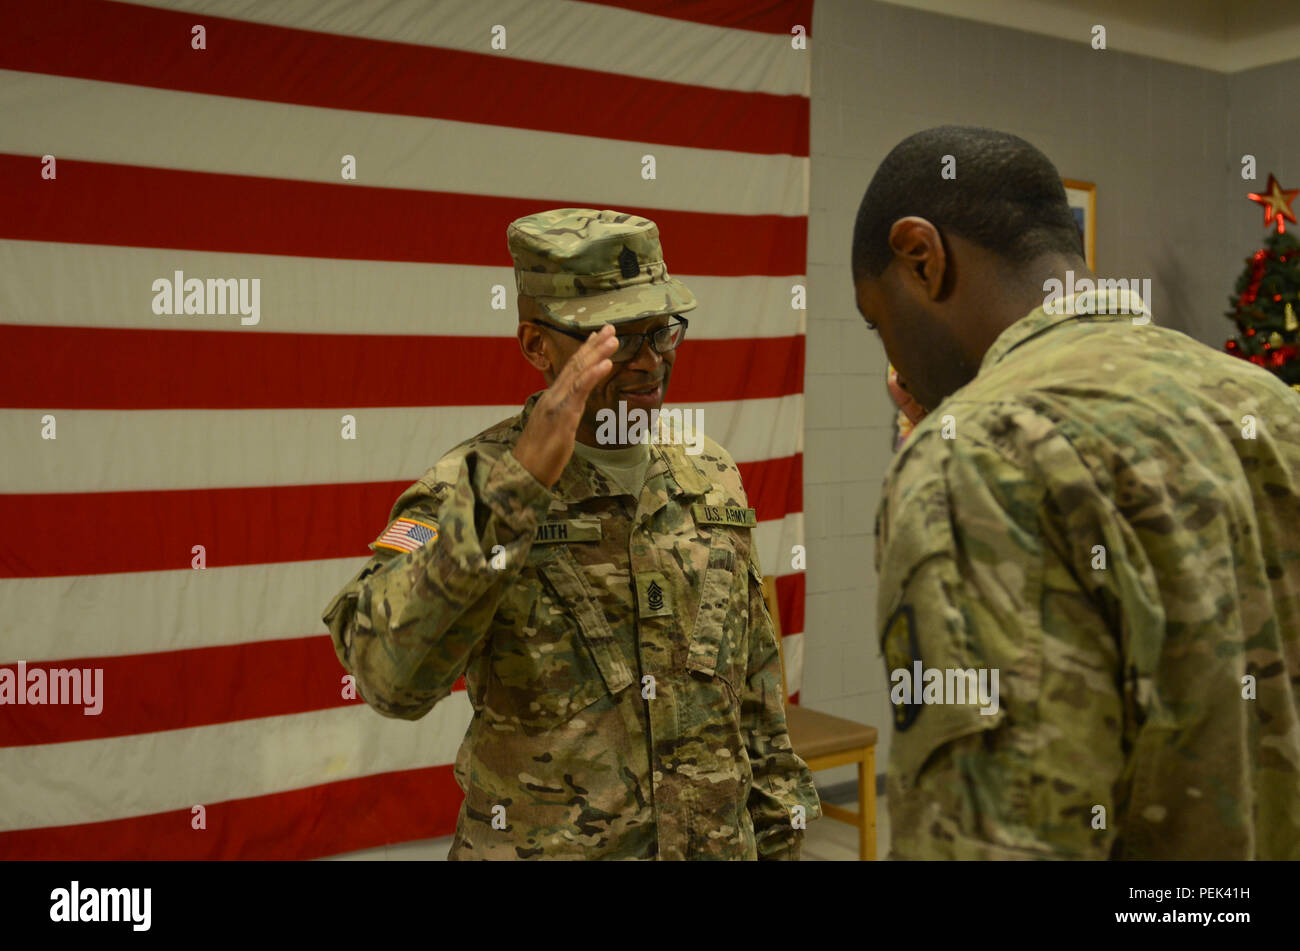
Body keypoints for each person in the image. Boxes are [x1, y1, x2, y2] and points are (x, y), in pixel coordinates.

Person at [852, 126, 1300, 859]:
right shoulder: (1268, 404)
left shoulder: (982, 456)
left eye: (881, 321)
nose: (895, 362)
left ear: (921, 258)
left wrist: (947, 470)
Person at [323, 208, 820, 860]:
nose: (647, 364)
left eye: (662, 333)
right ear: (537, 344)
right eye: (614, 339)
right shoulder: (465, 487)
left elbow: (755, 703)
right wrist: (515, 494)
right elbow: (389, 681)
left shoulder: (711, 475)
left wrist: (784, 838)